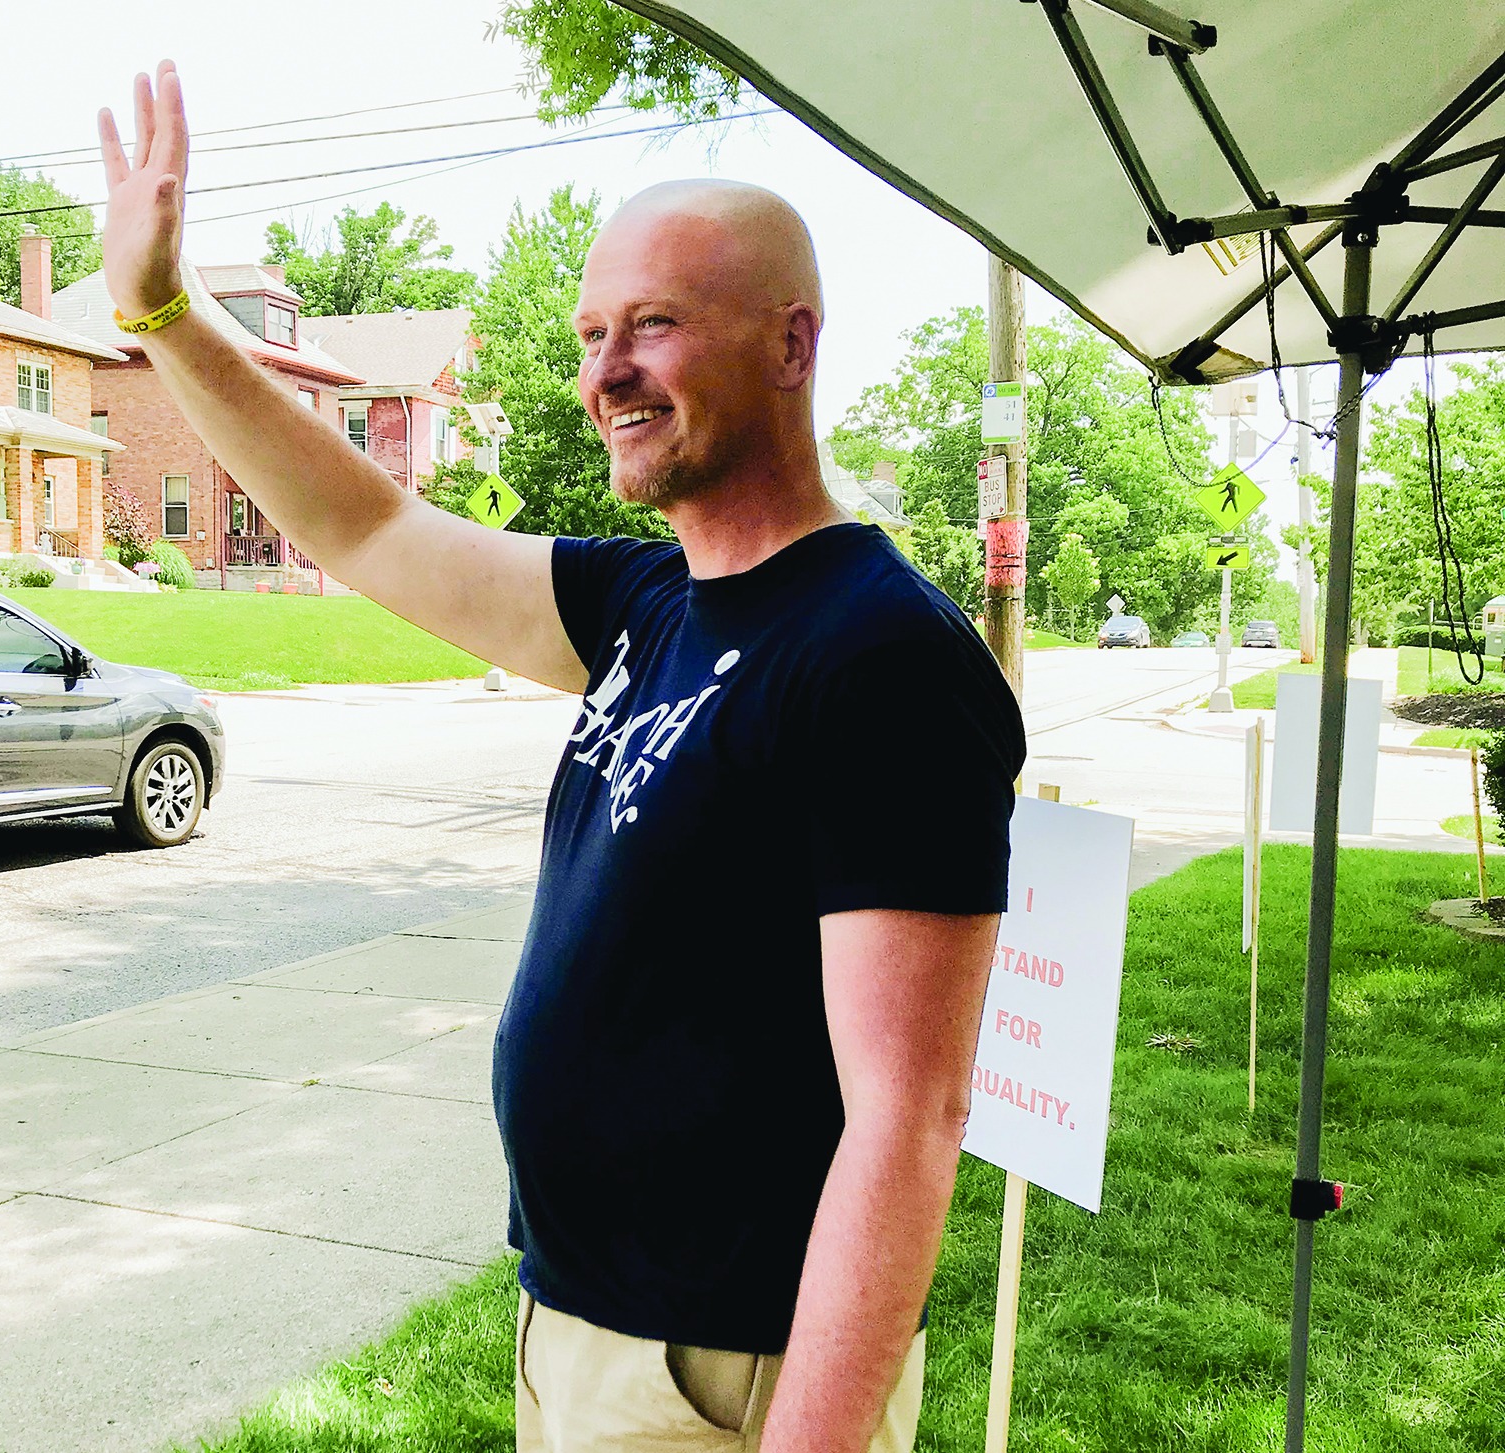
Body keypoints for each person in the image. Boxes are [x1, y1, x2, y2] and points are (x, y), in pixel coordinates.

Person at [98, 63, 1025, 1453]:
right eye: (594, 332)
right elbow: (364, 529)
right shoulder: (651, 603)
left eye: (654, 325)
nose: (605, 373)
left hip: (724, 1373)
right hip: (589, 1330)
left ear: (791, 345)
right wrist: (165, 316)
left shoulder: (878, 654)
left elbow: (910, 1117)